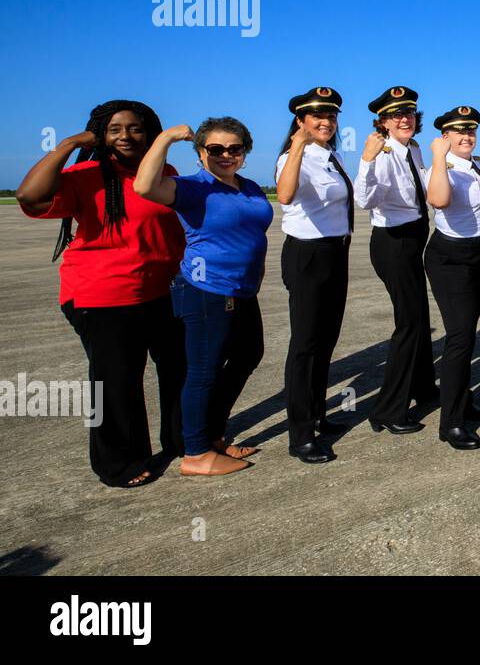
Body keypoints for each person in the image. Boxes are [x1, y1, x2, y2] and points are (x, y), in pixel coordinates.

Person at [17, 100, 186, 488]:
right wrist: (68, 145)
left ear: (151, 133)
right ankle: (119, 462)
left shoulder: (164, 172)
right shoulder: (85, 173)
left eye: (136, 128)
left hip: (162, 291)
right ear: (100, 136)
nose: (126, 136)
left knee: (180, 368)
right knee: (116, 383)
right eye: (115, 129)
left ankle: (181, 441)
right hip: (102, 296)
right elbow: (29, 196)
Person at [134, 116, 273, 477]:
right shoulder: (193, 188)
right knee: (203, 371)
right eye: (216, 149)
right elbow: (145, 187)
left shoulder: (250, 187)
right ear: (201, 152)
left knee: (247, 356)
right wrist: (164, 139)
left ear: (245, 152)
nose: (226, 155)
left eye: (234, 148)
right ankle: (195, 452)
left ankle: (212, 434)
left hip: (243, 290)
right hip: (205, 290)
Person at [275, 87, 353, 465]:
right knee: (305, 346)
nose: (326, 122)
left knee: (326, 341)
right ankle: (301, 434)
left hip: (335, 253)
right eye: (317, 116)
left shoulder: (331, 156)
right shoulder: (295, 157)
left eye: (331, 116)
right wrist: (297, 147)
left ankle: (318, 414)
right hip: (307, 255)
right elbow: (286, 195)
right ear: (300, 121)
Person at [356, 86, 433, 435]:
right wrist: (367, 160)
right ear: (383, 122)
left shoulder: (413, 150)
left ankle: (424, 389)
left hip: (414, 237)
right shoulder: (383, 153)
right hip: (393, 243)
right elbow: (365, 200)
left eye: (409, 113)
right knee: (410, 324)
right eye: (396, 115)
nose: (404, 119)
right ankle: (387, 410)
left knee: (420, 316)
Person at [425, 106, 480, 449]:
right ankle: (450, 423)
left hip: (479, 253)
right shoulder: (439, 168)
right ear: (445, 136)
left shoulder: (479, 164)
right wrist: (439, 157)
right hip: (450, 258)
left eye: (470, 131)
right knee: (459, 337)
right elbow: (439, 200)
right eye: (458, 132)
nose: (466, 137)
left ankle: (464, 402)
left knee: (468, 335)